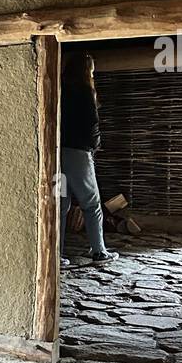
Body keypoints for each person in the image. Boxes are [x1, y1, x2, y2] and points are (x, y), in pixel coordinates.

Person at [59, 51, 118, 266]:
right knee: (91, 203)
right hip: (79, 155)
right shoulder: (85, 92)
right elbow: (91, 125)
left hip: (57, 153)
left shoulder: (60, 90)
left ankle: (56, 253)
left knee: (61, 205)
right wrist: (95, 146)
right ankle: (99, 251)